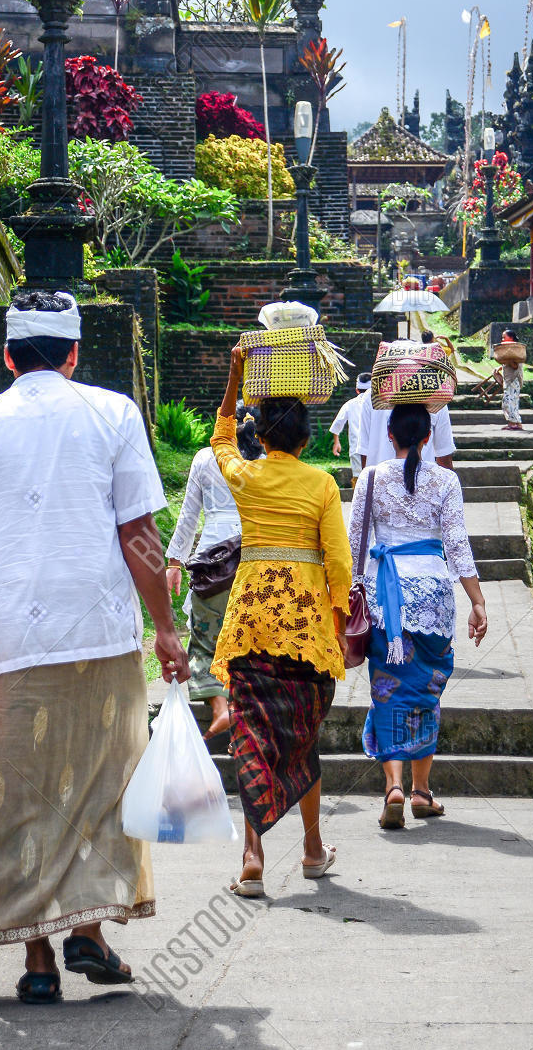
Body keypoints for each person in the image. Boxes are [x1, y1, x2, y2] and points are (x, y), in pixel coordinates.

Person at [0, 288, 189, 1003]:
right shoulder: (113, 413)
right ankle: (91, 931)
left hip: (7, 639)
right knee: (102, 786)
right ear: (74, 354)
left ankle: (39, 958)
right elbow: (138, 535)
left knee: (17, 795)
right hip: (99, 633)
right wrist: (165, 628)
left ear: (9, 355)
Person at [210, 348, 352, 897]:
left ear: (262, 437)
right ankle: (313, 850)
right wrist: (340, 624)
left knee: (252, 734)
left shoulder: (245, 476)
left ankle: (253, 855)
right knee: (301, 737)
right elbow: (337, 561)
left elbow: (220, 439)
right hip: (306, 628)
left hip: (249, 624)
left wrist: (233, 377)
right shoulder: (321, 484)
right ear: (305, 439)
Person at [349, 404, 487, 826]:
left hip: (384, 601)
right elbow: (457, 543)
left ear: (389, 433)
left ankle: (392, 786)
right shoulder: (446, 480)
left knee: (388, 689)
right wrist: (477, 600)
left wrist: (344, 599)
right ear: (428, 437)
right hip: (433, 598)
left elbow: (355, 544)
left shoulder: (369, 479)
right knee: (427, 691)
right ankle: (422, 792)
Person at [166, 403, 263, 741]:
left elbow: (188, 515)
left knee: (205, 641)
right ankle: (248, 716)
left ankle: (220, 708)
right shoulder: (263, 462)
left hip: (210, 558)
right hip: (251, 554)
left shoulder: (205, 458)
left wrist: (174, 562)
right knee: (250, 639)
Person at [360, 335, 456, 471]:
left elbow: (364, 450)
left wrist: (367, 481)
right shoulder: (435, 396)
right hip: (425, 483)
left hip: (379, 482)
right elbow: (444, 456)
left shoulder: (371, 396)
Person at [330, 372, 371, 486]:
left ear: (357, 390)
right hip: (375, 447)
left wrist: (336, 442)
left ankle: (358, 502)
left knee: (358, 478)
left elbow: (338, 423)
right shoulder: (378, 404)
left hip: (356, 448)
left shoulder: (350, 404)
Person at [498, 329, 524, 431]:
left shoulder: (514, 348)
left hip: (513, 379)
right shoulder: (511, 348)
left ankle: (513, 423)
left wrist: (506, 360)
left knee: (509, 402)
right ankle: (516, 423)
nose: (502, 339)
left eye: (504, 337)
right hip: (510, 379)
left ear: (511, 338)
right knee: (511, 401)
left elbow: (514, 365)